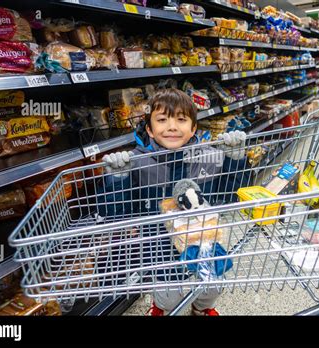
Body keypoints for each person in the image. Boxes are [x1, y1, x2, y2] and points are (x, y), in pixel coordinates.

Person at [99, 88, 250, 316]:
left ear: (193, 128)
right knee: (169, 296)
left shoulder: (209, 158)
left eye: (181, 119)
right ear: (149, 129)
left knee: (213, 285)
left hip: (204, 242)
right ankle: (162, 308)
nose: (172, 126)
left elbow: (228, 196)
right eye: (162, 120)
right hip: (157, 246)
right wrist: (117, 178)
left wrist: (235, 159)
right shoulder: (137, 164)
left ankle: (202, 309)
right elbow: (119, 213)